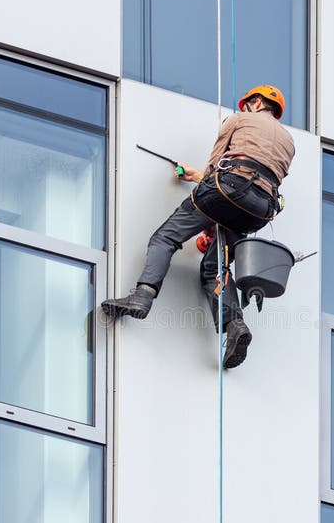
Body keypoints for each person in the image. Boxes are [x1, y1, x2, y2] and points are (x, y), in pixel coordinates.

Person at [101, 85, 295, 368]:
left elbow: (217, 167)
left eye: (247, 104)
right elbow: (260, 173)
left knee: (165, 237)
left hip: (227, 189)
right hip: (260, 209)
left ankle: (142, 296)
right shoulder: (289, 141)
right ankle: (235, 325)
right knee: (214, 269)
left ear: (255, 102)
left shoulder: (238, 120)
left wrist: (198, 179)